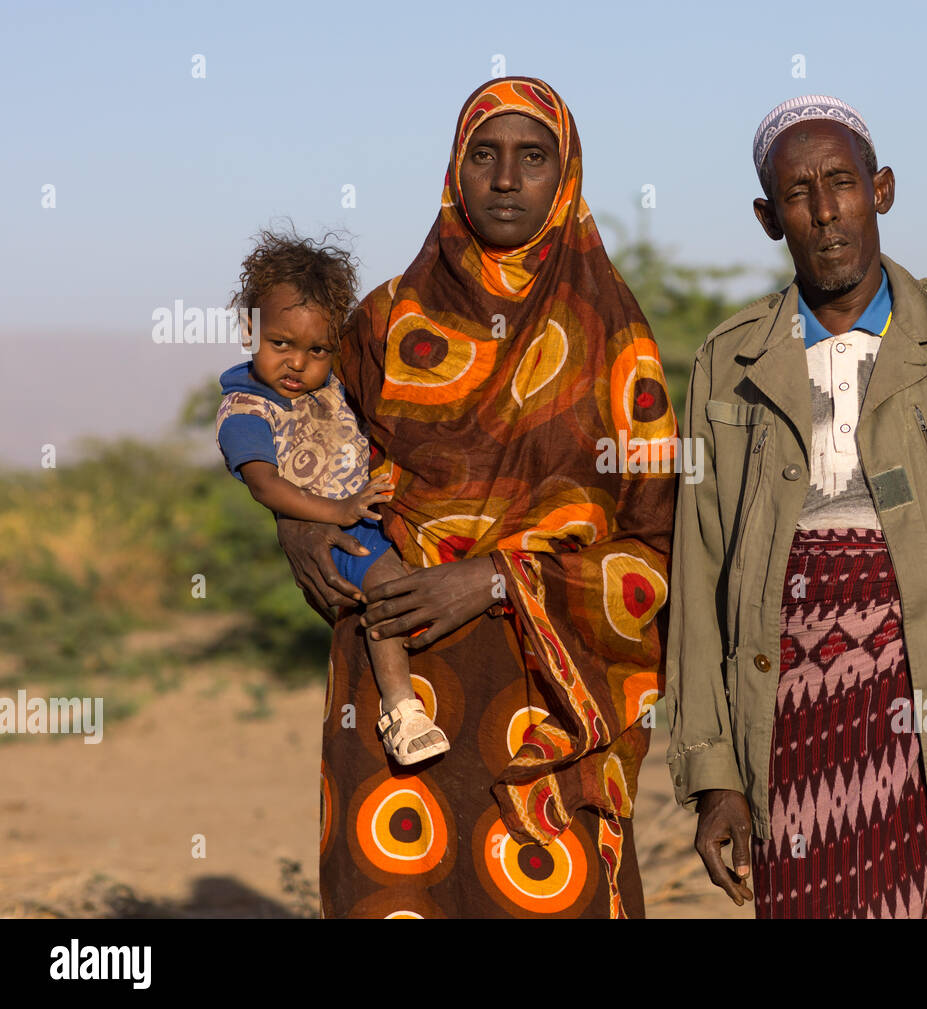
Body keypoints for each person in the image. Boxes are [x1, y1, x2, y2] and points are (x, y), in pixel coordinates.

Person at [666, 95, 927, 918]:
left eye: (841, 183)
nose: (824, 213)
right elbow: (700, 576)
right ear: (766, 216)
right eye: (796, 194)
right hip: (787, 722)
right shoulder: (729, 362)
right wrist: (714, 773)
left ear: (882, 189)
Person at [275, 77, 677, 918]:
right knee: (395, 887)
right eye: (484, 155)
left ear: (563, 176)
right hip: (395, 675)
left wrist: (500, 579)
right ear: (455, 170)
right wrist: (294, 529)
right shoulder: (385, 318)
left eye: (532, 158)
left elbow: (659, 546)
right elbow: (290, 421)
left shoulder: (613, 339)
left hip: (542, 690)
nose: (505, 178)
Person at [215, 230, 450, 765]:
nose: (298, 363)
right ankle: (402, 711)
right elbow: (264, 484)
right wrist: (336, 513)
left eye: (316, 349)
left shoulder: (332, 386)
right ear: (250, 330)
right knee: (391, 592)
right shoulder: (248, 411)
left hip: (368, 511)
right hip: (338, 528)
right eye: (281, 344)